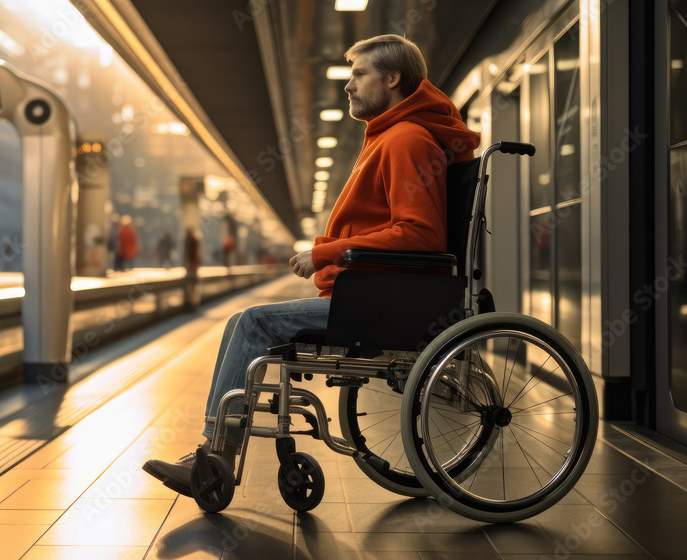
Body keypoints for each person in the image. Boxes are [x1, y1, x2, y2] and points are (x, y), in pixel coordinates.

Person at [142, 34, 479, 495]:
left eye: (359, 74)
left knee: (253, 323)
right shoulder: (391, 137)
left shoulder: (406, 140)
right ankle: (215, 449)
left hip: (385, 302)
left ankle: (217, 453)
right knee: (242, 321)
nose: (349, 85)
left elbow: (421, 235)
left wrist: (326, 252)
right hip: (375, 292)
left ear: (392, 79)